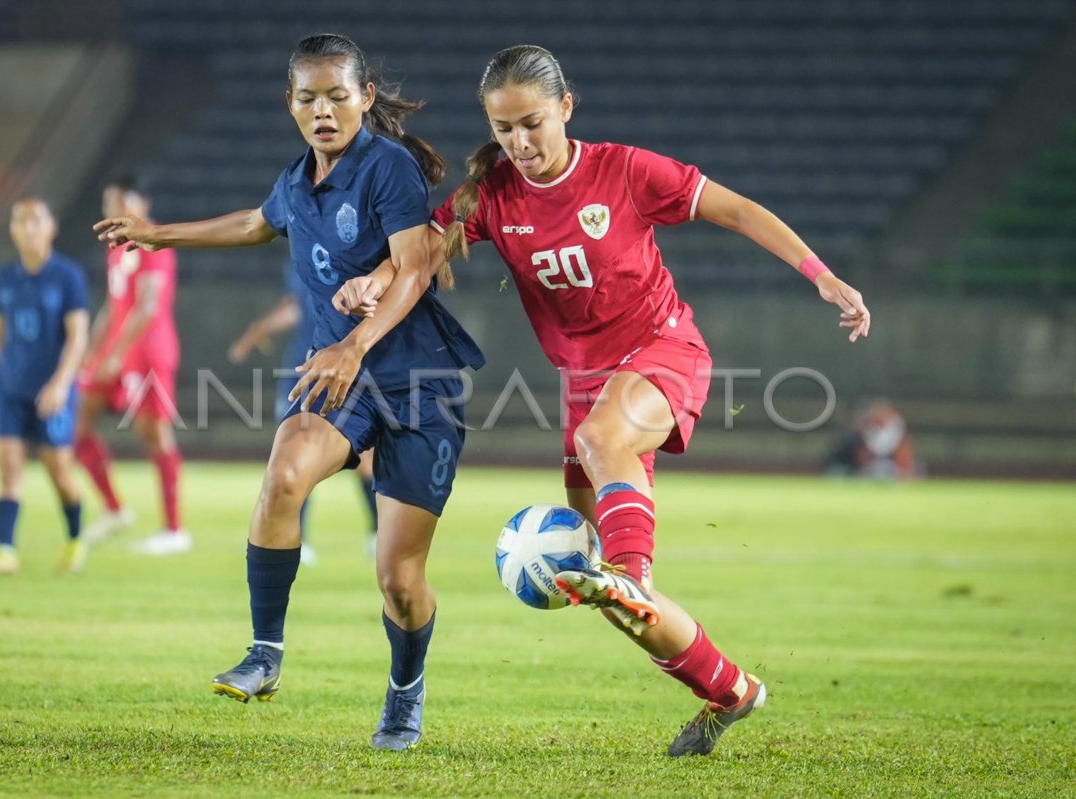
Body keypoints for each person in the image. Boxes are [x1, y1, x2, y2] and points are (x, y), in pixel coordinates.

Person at [334, 45, 871, 758]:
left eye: (532, 123)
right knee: (602, 589)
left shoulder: (624, 171)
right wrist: (374, 281)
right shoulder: (494, 193)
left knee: (615, 535)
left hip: (663, 354)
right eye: (503, 130)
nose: (520, 144)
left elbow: (735, 210)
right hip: (588, 391)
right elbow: (425, 250)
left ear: (566, 108)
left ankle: (634, 574)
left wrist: (822, 276)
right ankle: (729, 689)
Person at [93, 33, 483, 751]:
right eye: (309, 97)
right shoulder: (297, 180)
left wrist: (353, 342)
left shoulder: (387, 168)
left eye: (339, 95)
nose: (324, 110)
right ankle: (265, 651)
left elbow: (414, 270)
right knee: (283, 476)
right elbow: (254, 222)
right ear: (290, 104)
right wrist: (159, 234)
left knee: (398, 579)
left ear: (365, 98)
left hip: (417, 381)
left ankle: (404, 693)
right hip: (342, 375)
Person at [229, 263, 381, 564]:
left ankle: (380, 533)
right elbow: (297, 306)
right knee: (298, 453)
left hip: (342, 364)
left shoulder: (347, 251)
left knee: (363, 454)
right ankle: (302, 539)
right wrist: (258, 330)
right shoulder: (300, 259)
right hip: (304, 365)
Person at [76, 176, 188, 556]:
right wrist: (93, 349)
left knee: (154, 436)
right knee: (77, 421)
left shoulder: (154, 242)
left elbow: (146, 308)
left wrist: (115, 354)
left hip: (147, 354)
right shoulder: (116, 249)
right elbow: (115, 305)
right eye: (109, 204)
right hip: (117, 352)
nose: (114, 211)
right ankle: (114, 508)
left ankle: (175, 530)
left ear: (142, 203)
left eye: (121, 202)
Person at [0, 197, 90, 576]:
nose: (29, 228)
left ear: (51, 226)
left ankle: (76, 540)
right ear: (12, 229)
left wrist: (61, 384)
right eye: (21, 221)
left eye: (36, 221)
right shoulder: (4, 279)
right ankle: (5, 551)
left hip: (51, 392)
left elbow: (77, 337)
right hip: (9, 389)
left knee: (59, 471)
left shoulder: (68, 276)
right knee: (8, 471)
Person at [822, 398, 918, 479]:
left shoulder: (893, 426)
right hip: (852, 467)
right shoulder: (862, 431)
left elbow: (882, 450)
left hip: (886, 465)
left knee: (882, 468)